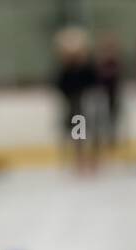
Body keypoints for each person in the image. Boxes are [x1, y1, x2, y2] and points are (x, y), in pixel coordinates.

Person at [53, 27, 99, 172]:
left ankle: (91, 159)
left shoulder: (87, 68)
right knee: (77, 134)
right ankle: (79, 159)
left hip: (87, 105)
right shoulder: (65, 70)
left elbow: (94, 83)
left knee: (90, 132)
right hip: (74, 106)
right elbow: (60, 85)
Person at [96, 32, 124, 149]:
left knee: (113, 118)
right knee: (98, 119)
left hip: (114, 94)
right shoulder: (98, 61)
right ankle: (98, 141)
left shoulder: (118, 60)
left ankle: (112, 140)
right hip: (100, 95)